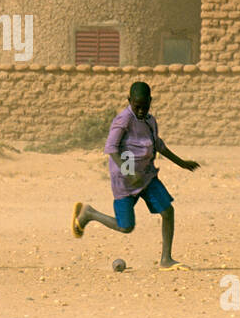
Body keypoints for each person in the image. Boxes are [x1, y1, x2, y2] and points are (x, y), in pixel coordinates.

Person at [71, 81, 201, 269]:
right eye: (136, 106)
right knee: (126, 227)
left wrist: (182, 163)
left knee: (167, 211)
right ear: (129, 100)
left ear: (150, 101)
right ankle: (89, 214)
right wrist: (128, 173)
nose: (140, 110)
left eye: (144, 106)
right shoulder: (123, 119)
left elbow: (158, 145)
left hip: (146, 176)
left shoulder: (150, 120)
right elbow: (111, 148)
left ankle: (166, 259)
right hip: (125, 180)